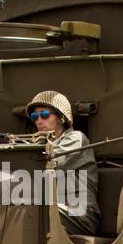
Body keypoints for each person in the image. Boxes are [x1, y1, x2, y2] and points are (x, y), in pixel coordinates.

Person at [26, 90, 100, 236]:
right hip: (57, 209)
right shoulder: (40, 143)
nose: (39, 120)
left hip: (80, 214)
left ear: (61, 117)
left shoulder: (76, 139)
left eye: (45, 115)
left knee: (34, 208)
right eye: (35, 116)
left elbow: (50, 162)